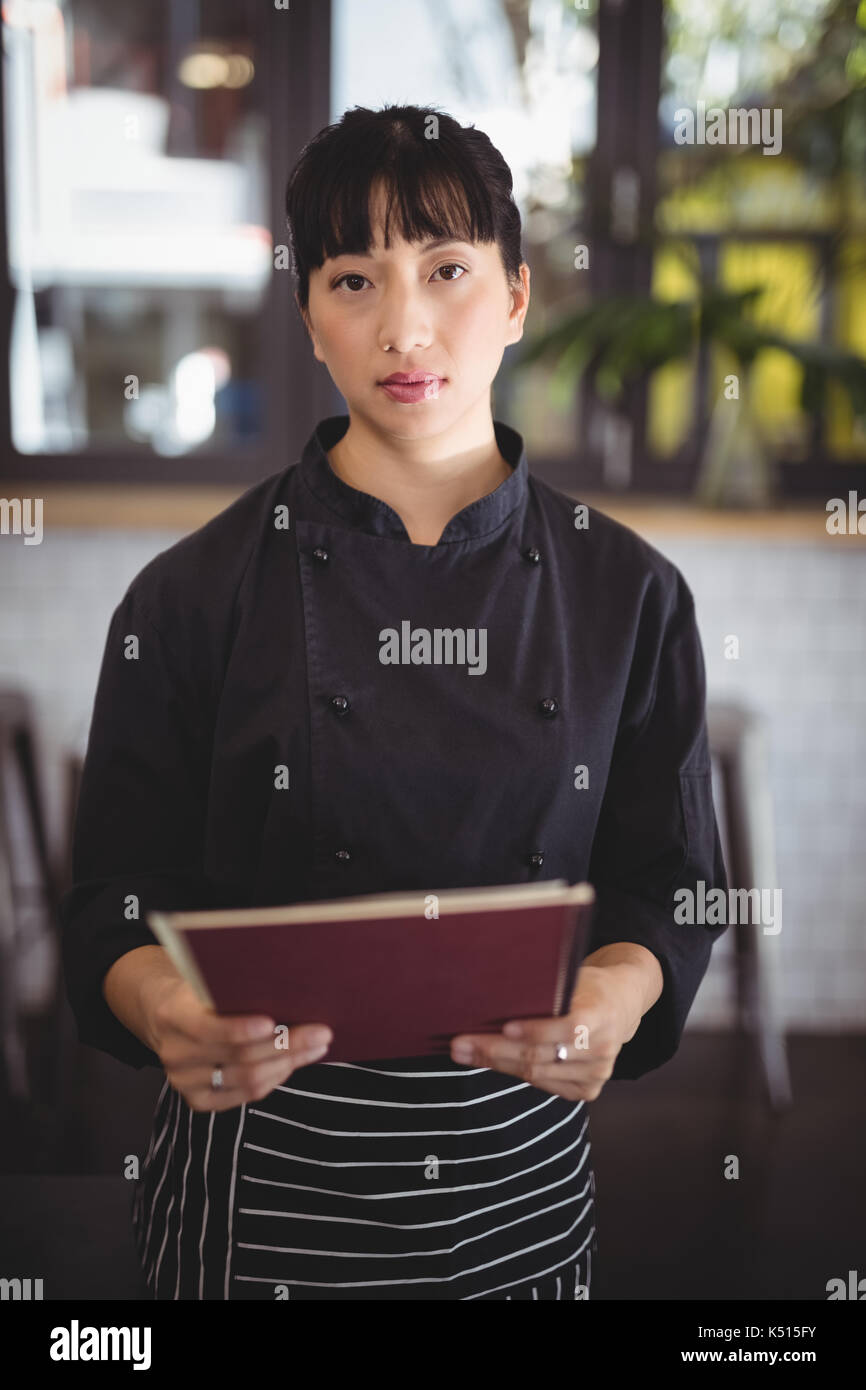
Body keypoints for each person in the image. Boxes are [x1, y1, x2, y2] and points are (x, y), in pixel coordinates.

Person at [60, 103, 729, 1301]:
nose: (404, 324)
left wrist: (613, 997)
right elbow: (109, 894)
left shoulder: (627, 593)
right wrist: (165, 1007)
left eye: (448, 269)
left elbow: (673, 881)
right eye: (354, 277)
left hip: (515, 1193)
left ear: (516, 298)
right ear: (310, 314)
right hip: (257, 1206)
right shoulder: (190, 594)